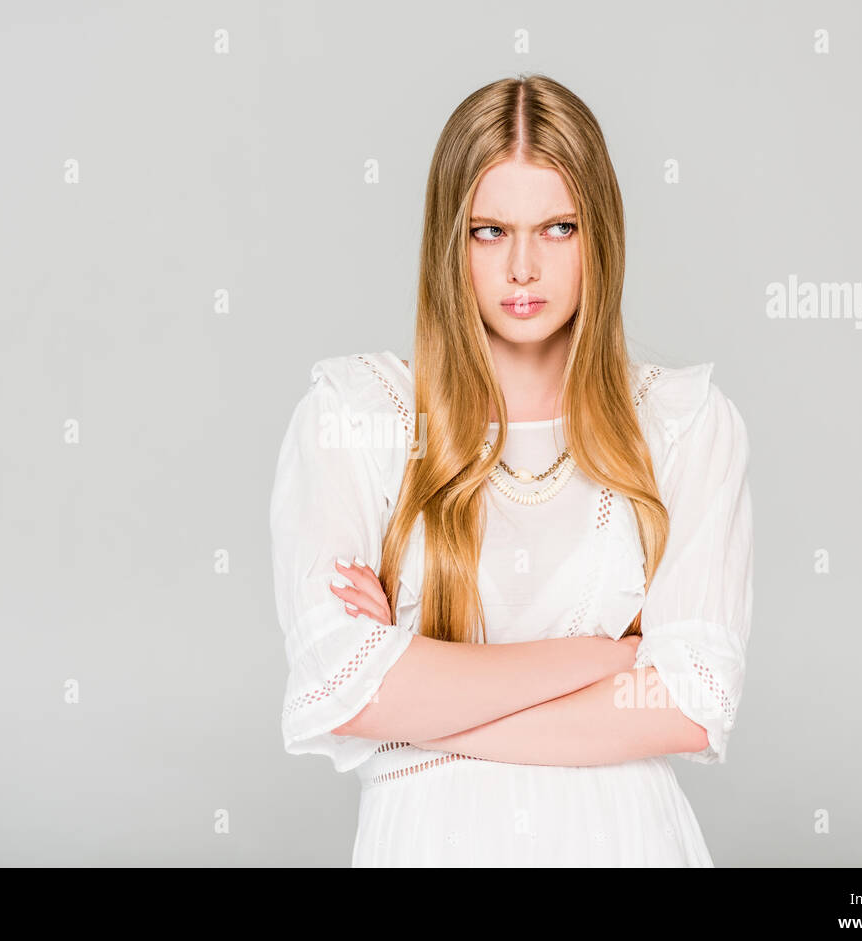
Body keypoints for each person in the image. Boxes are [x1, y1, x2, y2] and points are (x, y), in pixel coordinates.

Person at [269, 74, 753, 866]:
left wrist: (417, 704)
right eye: (490, 231)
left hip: (624, 841)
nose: (523, 267)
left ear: (601, 233)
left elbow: (694, 701)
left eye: (558, 227)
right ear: (447, 239)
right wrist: (611, 658)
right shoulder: (358, 415)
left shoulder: (685, 425)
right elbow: (341, 683)